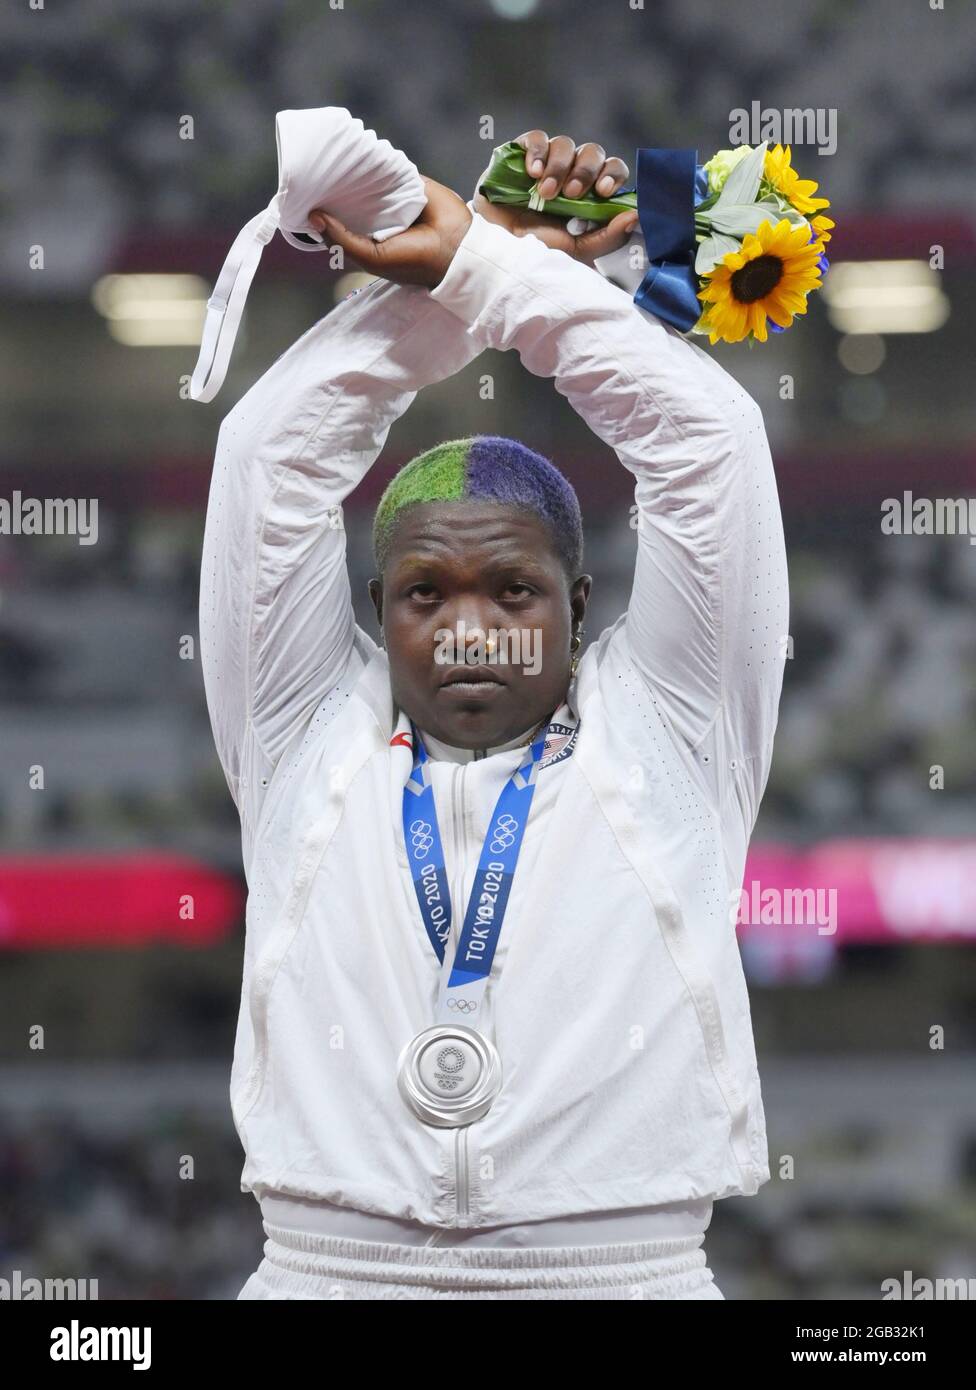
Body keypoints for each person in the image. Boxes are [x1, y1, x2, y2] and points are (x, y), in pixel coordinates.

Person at [199, 131, 789, 1300]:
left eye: (511, 590)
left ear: (577, 603)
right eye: (425, 595)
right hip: (326, 1272)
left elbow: (708, 450)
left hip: (625, 1272)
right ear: (375, 607)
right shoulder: (300, 719)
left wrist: (490, 270)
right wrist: (482, 268)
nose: (467, 627)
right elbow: (270, 459)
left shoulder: (673, 721)